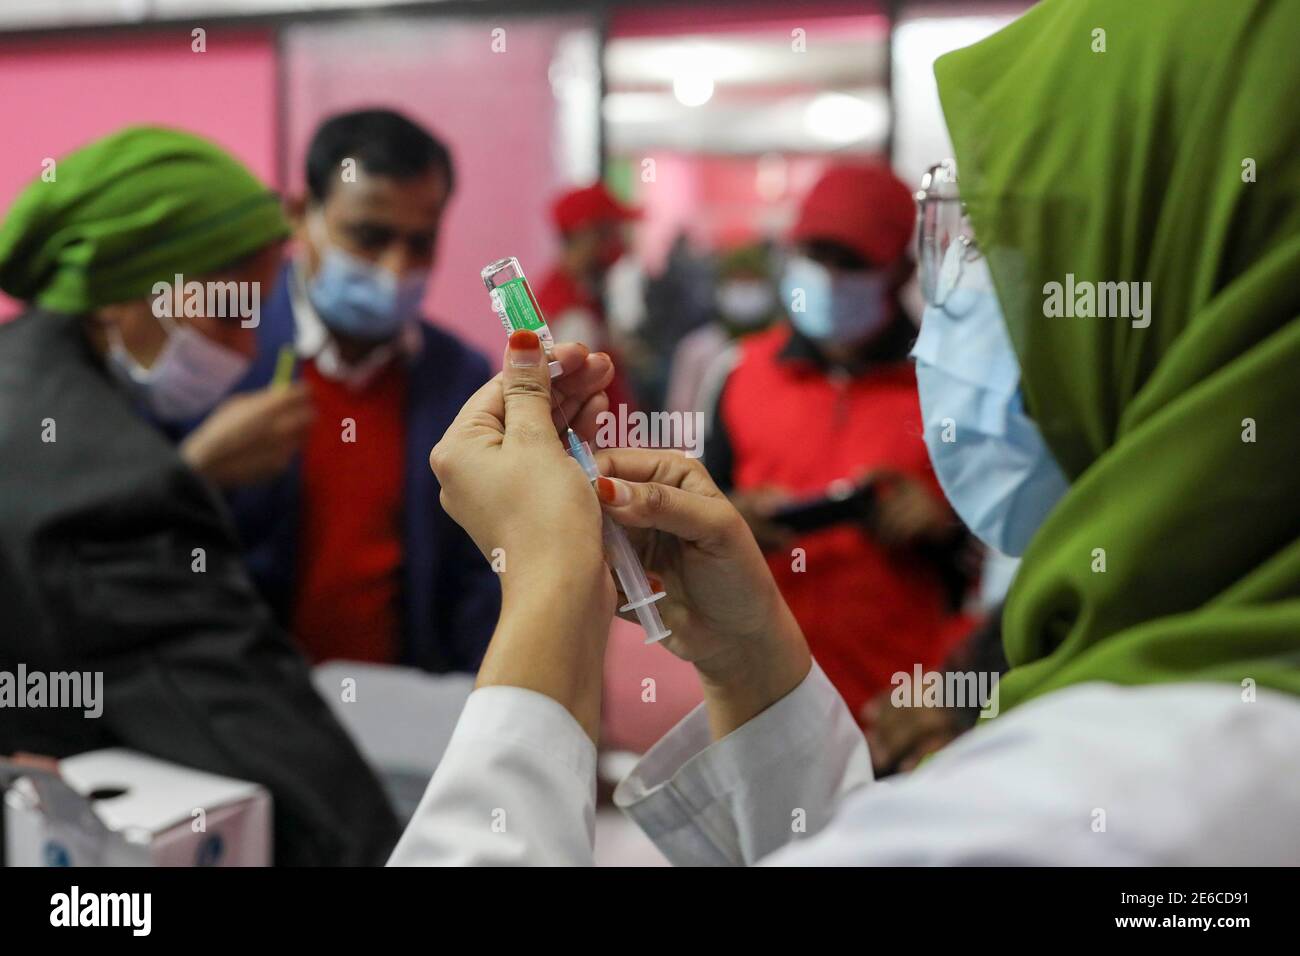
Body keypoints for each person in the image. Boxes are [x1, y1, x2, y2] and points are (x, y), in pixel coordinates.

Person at [386, 0, 1300, 865]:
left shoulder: (1085, 820)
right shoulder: (1209, 727)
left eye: (994, 250)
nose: (959, 308)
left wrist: (551, 585)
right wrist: (753, 666)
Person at [0, 126, 400, 866]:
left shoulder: (25, 384)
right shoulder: (114, 490)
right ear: (122, 296)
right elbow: (271, 744)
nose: (247, 353)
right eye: (226, 316)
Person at [193, 108, 499, 672]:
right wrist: (198, 469)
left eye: (420, 243)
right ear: (298, 216)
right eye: (368, 236)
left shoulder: (461, 377)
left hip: (409, 713)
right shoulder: (222, 354)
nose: (394, 267)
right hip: (248, 704)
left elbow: (482, 569)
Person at [705, 164, 972, 716]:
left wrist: (943, 524)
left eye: (851, 262)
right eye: (816, 255)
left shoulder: (951, 385)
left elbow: (1006, 559)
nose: (828, 276)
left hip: (899, 707)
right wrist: (731, 522)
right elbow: (697, 511)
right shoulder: (740, 373)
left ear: (900, 269)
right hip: (761, 700)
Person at [537, 182, 640, 411]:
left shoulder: (583, 294)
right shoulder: (571, 313)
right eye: (612, 231)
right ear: (587, 235)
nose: (619, 244)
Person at [663, 242, 779, 417]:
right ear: (721, 288)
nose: (745, 291)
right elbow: (678, 417)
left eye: (752, 282)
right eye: (737, 281)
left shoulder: (782, 347)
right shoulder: (697, 349)